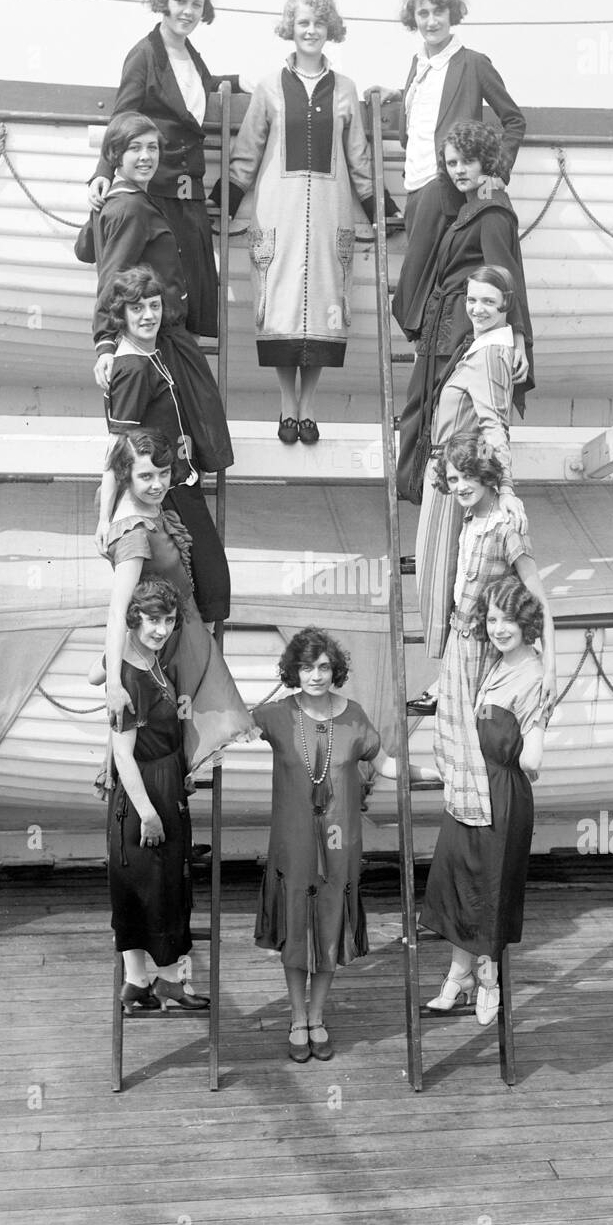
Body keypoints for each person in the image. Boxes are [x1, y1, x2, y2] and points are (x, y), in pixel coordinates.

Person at [251, 627, 438, 1061]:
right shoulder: (276, 714)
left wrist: (440, 774)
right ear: (293, 670)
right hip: (293, 847)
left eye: (323, 667)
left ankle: (318, 1016)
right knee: (297, 932)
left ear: (335, 670)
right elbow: (228, 727)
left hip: (341, 846)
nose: (315, 675)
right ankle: (297, 1018)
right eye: (305, 667)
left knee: (330, 930)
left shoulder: (353, 714)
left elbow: (388, 764)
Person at [210, 0, 378, 446]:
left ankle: (310, 407)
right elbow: (246, 153)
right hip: (277, 212)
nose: (310, 31)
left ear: (330, 31)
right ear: (292, 28)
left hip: (329, 212)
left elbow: (359, 157)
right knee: (280, 306)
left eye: (318, 24)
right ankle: (286, 406)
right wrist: (221, 200)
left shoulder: (345, 89)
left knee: (326, 306)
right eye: (303, 23)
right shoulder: (268, 87)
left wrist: (381, 209)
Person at [76, 111, 234, 531]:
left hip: (167, 339)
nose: (146, 157)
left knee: (180, 447)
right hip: (161, 340)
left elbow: (85, 248)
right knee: (175, 451)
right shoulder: (129, 207)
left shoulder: (128, 200)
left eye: (152, 148)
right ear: (115, 155)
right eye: (135, 149)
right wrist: (105, 343)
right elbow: (111, 278)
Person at [87, 0, 245, 338]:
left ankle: (181, 383)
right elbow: (123, 117)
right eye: (180, 1)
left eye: (196, 3)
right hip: (158, 194)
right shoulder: (143, 55)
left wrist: (239, 82)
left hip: (190, 199)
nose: (187, 11)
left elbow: (196, 92)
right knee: (157, 297)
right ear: (164, 2)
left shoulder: (193, 57)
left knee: (190, 301)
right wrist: (102, 173)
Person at [420, 575, 547, 1025]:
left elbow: (532, 757)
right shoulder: (493, 660)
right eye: (492, 618)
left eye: (509, 618)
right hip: (471, 786)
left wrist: (534, 735)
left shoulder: (534, 674)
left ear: (526, 621)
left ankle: (486, 978)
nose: (498, 627)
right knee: (459, 881)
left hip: (503, 794)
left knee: (490, 889)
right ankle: (460, 973)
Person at [393, 120, 534, 504]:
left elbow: (505, 278)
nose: (458, 170)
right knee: (425, 413)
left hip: (462, 329)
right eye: (452, 162)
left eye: (467, 162)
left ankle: (441, 504)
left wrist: (518, 338)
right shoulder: (471, 205)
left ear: (485, 161)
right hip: (445, 323)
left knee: (447, 419)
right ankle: (429, 505)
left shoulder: (490, 213)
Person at [99, 428, 252, 775]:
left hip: (188, 626)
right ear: (126, 475)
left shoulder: (147, 506)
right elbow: (117, 611)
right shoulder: (134, 534)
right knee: (190, 732)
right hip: (173, 641)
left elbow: (112, 448)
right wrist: (112, 683)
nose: (157, 484)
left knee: (195, 731)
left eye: (164, 474)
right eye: (146, 476)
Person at [428, 431, 555, 824]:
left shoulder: (506, 525)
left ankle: (490, 830)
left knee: (479, 747)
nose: (461, 486)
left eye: (468, 476)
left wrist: (550, 666)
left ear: (485, 476)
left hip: (482, 652)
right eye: (453, 479)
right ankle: (465, 834)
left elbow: (540, 599)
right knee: (455, 747)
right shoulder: (468, 518)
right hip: (457, 645)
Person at [97, 576, 209, 1013]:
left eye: (167, 620)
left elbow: (93, 671)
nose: (161, 629)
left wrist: (118, 651)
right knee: (146, 889)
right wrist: (147, 814)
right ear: (133, 619)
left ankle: (150, 983)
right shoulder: (129, 678)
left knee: (163, 888)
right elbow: (123, 756)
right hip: (142, 791)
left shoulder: (149, 658)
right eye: (151, 620)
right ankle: (151, 982)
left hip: (165, 779)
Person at [95, 265, 229, 623]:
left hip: (181, 482)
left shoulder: (154, 352)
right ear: (121, 315)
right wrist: (104, 518)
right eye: (137, 308)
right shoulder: (134, 367)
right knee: (198, 591)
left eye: (154, 305)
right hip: (162, 495)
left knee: (210, 585)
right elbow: (117, 446)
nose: (149, 315)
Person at [414, 264, 526, 663]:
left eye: (489, 302)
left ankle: (450, 674)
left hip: (456, 476)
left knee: (444, 577)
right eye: (473, 299)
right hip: (444, 471)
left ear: (506, 306)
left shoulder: (491, 354)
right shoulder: (483, 345)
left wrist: (508, 487)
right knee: (439, 576)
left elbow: (496, 423)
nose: (477, 309)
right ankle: (446, 674)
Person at [366, 0, 525, 237]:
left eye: (439, 12)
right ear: (413, 18)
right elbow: (434, 101)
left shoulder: (473, 63)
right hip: (414, 186)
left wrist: (498, 174)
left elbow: (515, 120)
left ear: (452, 14)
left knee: (415, 277)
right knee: (429, 276)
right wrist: (398, 93)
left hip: (445, 186)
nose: (431, 21)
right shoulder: (418, 65)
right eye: (423, 13)